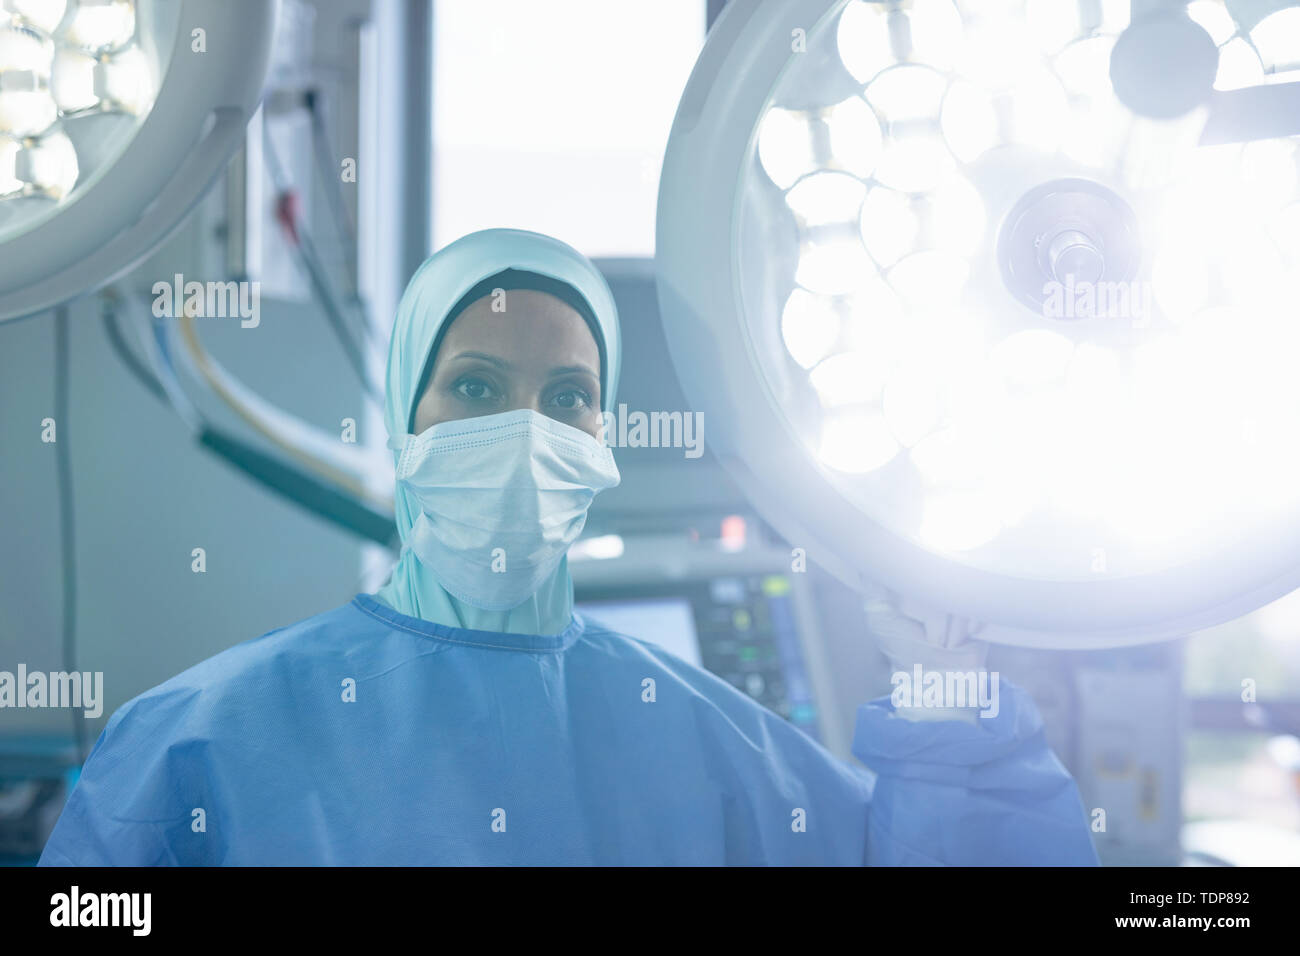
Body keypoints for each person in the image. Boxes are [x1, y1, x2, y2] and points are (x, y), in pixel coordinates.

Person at [37, 228, 1098, 865]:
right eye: (478, 388)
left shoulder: (713, 745)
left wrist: (950, 697)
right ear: (406, 420)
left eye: (569, 398)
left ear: (603, 437)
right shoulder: (195, 742)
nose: (526, 432)